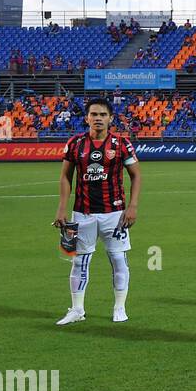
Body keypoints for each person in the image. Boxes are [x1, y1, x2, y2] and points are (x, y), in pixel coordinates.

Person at [52, 97, 141, 325]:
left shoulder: (122, 144)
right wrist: (61, 209)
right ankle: (77, 309)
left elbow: (136, 175)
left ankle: (120, 308)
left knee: (118, 259)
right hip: (81, 213)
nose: (98, 118)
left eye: (102, 115)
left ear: (111, 118)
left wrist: (132, 206)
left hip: (115, 213)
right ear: (87, 118)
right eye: (94, 114)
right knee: (79, 261)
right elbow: (65, 176)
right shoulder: (75, 144)